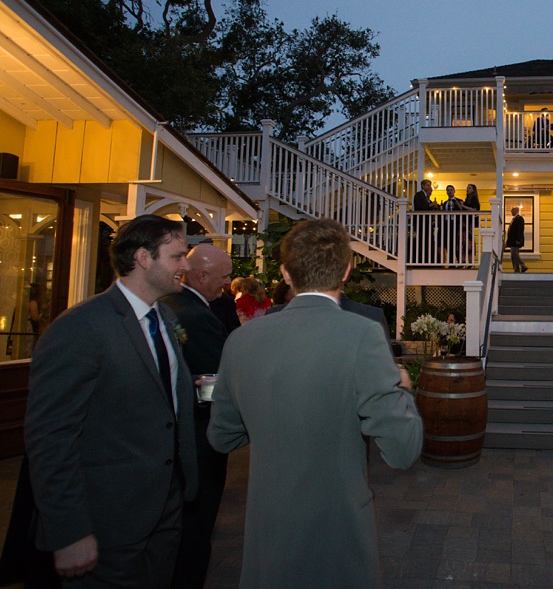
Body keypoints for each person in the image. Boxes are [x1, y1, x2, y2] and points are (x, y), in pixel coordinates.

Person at [208, 219, 422, 587]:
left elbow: (222, 437)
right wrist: (402, 388)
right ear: (346, 271)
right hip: (336, 535)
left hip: (268, 534)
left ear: (286, 273)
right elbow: (403, 450)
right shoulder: (362, 334)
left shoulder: (243, 340)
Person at [24, 214, 198, 586]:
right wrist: (68, 532)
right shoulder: (82, 327)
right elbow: (51, 437)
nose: (187, 265)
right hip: (107, 521)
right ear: (143, 258)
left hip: (163, 514)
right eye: (178, 257)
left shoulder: (164, 319)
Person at [160, 244, 234, 589]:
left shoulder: (170, 306)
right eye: (224, 277)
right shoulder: (196, 316)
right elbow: (212, 384)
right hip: (198, 440)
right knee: (195, 529)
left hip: (173, 441)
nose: (228, 284)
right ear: (202, 276)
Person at [411, 179, 439, 264]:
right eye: (427, 185)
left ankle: (428, 260)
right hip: (421, 223)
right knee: (421, 242)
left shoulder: (427, 198)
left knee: (428, 242)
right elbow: (419, 207)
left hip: (428, 224)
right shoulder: (419, 195)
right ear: (423, 186)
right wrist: (431, 204)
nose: (429, 187)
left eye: (430, 185)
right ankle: (420, 260)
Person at [506, 206, 527, 273]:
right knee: (513, 255)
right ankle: (516, 269)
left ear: (516, 211)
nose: (511, 212)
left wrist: (518, 239)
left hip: (515, 241)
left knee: (514, 254)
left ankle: (523, 266)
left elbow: (520, 230)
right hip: (512, 241)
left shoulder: (519, 218)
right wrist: (507, 242)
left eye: (512, 210)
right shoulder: (514, 219)